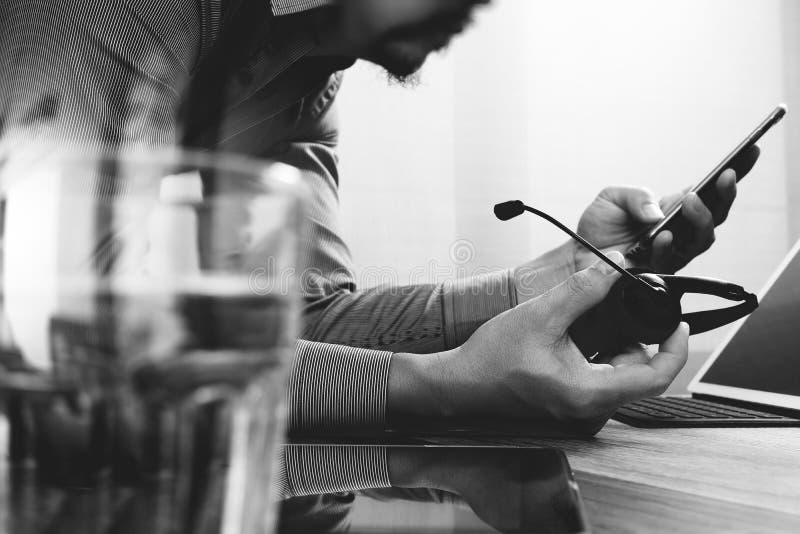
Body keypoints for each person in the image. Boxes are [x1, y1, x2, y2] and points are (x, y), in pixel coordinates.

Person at [0, 0, 740, 434]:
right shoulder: (106, 18)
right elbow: (67, 355)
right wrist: (439, 386)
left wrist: (559, 281)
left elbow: (292, 325)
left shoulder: (305, 80)